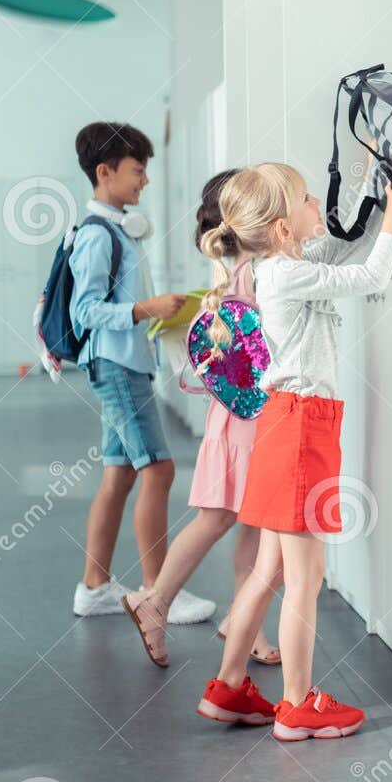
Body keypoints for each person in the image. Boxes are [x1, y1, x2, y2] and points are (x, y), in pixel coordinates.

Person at [190, 158, 392, 739]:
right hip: (302, 430)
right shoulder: (285, 274)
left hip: (284, 424)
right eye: (303, 199)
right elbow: (368, 278)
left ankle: (228, 687)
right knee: (307, 579)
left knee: (270, 570)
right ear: (280, 228)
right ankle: (296, 704)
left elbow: (341, 251)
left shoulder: (282, 263)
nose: (313, 205)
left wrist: (374, 201)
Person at [121, 170, 284, 670]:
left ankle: (246, 626)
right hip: (250, 417)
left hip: (238, 414)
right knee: (224, 518)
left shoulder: (236, 266)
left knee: (246, 523)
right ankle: (157, 602)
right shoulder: (259, 270)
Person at [66, 121, 212, 626]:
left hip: (126, 363)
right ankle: (157, 592)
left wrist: (153, 309)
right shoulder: (97, 235)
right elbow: (83, 311)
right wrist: (147, 308)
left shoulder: (115, 228)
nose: (145, 180)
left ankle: (95, 587)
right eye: (137, 169)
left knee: (121, 473)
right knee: (159, 469)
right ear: (104, 172)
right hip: (118, 366)